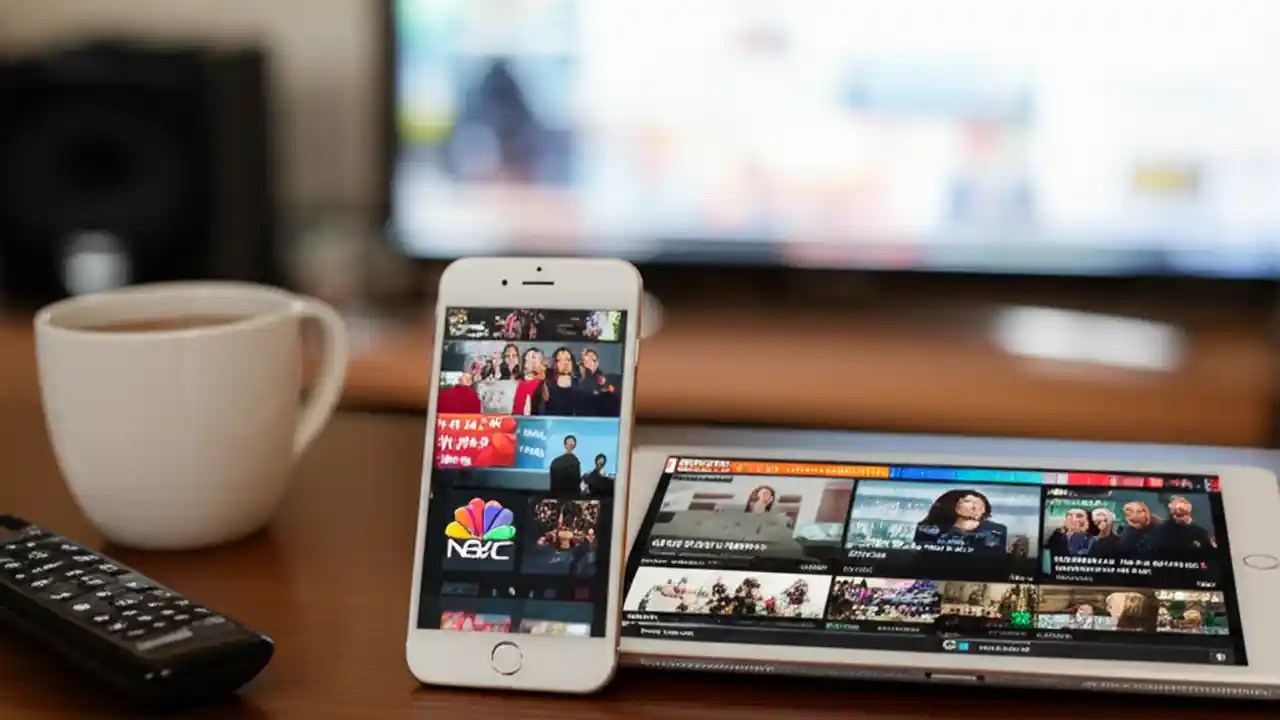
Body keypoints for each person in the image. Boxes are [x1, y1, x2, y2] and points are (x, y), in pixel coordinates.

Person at [912, 489, 1008, 556]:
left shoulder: (996, 530)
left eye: (980, 504)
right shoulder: (928, 529)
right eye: (968, 501)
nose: (975, 507)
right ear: (952, 504)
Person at [1155, 496, 1215, 562]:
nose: (1178, 512)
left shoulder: (1201, 532)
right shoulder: (1162, 528)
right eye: (1175, 511)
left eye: (1182, 511)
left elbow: (1206, 555)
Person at [575, 348, 619, 417]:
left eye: (593, 360)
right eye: (587, 360)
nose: (590, 363)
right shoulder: (575, 378)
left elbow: (613, 393)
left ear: (597, 363)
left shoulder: (602, 380)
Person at [537, 347, 578, 416]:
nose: (565, 363)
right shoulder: (548, 385)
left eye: (568, 360)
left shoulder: (579, 384)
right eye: (560, 360)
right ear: (555, 364)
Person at [512, 347, 545, 416]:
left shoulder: (544, 384)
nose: (531, 361)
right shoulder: (519, 384)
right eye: (528, 358)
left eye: (534, 357)